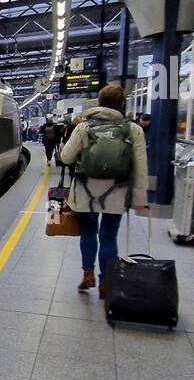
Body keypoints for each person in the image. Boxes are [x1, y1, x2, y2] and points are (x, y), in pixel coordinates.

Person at [58, 85, 149, 297]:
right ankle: (105, 283)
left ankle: (87, 274)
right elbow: (141, 167)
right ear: (122, 104)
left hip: (85, 190)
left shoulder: (83, 127)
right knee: (109, 237)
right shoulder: (133, 129)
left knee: (88, 233)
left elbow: (67, 158)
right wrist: (139, 198)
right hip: (117, 190)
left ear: (99, 102)